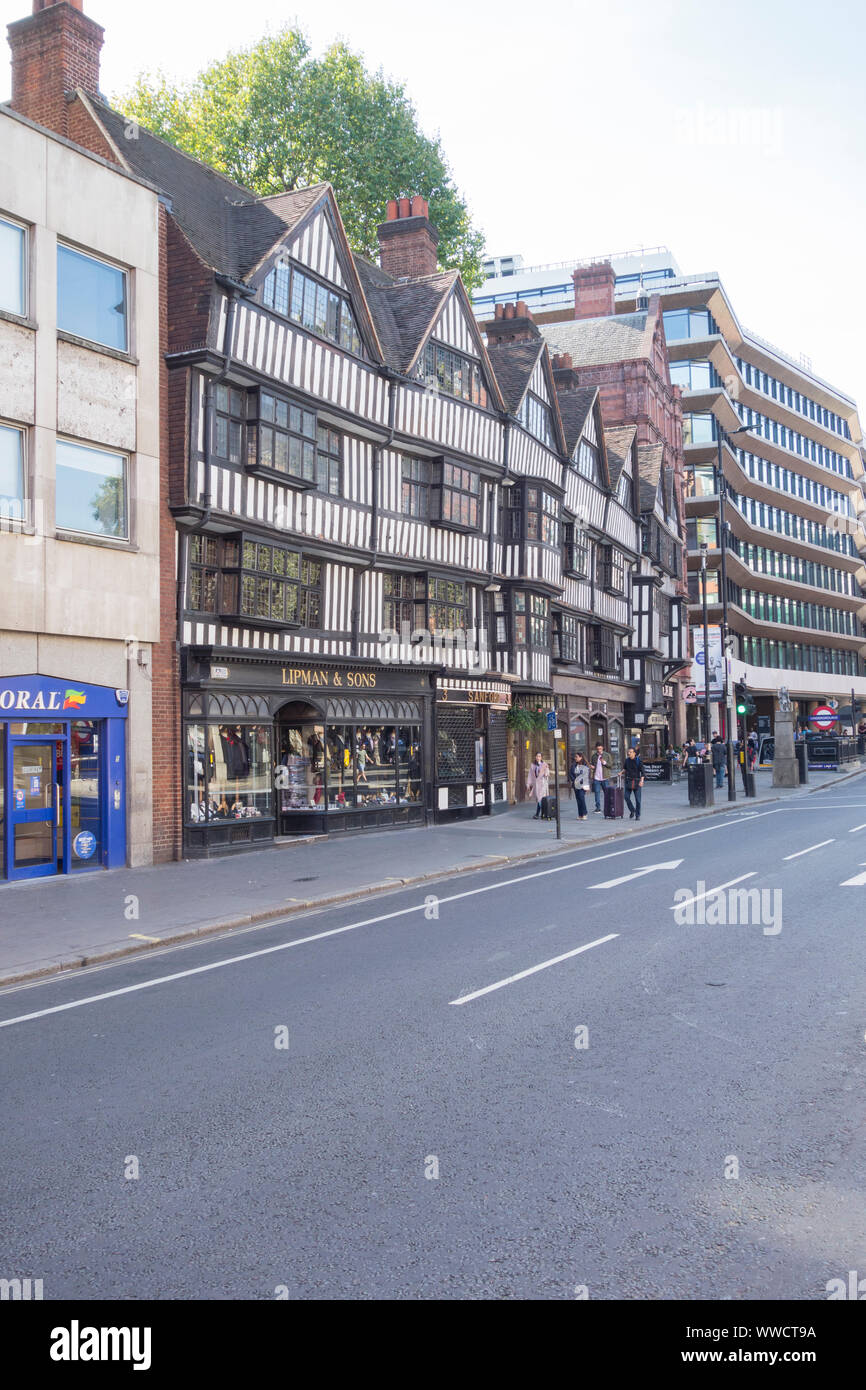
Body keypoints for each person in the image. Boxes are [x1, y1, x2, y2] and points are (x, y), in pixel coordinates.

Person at [525, 751, 550, 819]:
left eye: (539, 756)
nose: (538, 758)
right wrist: (528, 784)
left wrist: (546, 772)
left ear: (541, 757)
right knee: (539, 799)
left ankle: (539, 814)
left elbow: (547, 773)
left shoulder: (544, 764)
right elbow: (530, 775)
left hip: (543, 784)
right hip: (536, 785)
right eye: (537, 756)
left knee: (540, 799)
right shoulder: (533, 765)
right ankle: (542, 814)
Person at [623, 747, 644, 820]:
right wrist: (621, 772)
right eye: (628, 752)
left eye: (630, 752)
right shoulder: (627, 760)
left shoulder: (638, 761)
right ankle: (632, 810)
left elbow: (643, 772)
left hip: (637, 782)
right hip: (628, 781)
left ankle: (637, 815)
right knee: (626, 797)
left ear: (634, 753)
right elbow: (625, 769)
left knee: (638, 800)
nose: (629, 753)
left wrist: (642, 781)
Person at [591, 742, 612, 813]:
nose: (599, 750)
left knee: (607, 793)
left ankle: (608, 807)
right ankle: (598, 808)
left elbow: (610, 765)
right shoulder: (594, 756)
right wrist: (592, 767)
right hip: (596, 777)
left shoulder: (607, 755)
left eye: (600, 749)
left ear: (602, 748)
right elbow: (593, 765)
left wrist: (604, 762)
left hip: (605, 777)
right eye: (598, 749)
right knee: (597, 793)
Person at [568, 751, 590, 820]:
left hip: (582, 784)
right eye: (575, 757)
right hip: (575, 784)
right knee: (578, 799)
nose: (575, 758)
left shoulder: (585, 765)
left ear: (581, 757)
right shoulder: (574, 765)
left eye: (576, 757)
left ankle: (584, 813)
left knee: (581, 798)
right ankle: (580, 814)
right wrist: (574, 780)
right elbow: (570, 773)